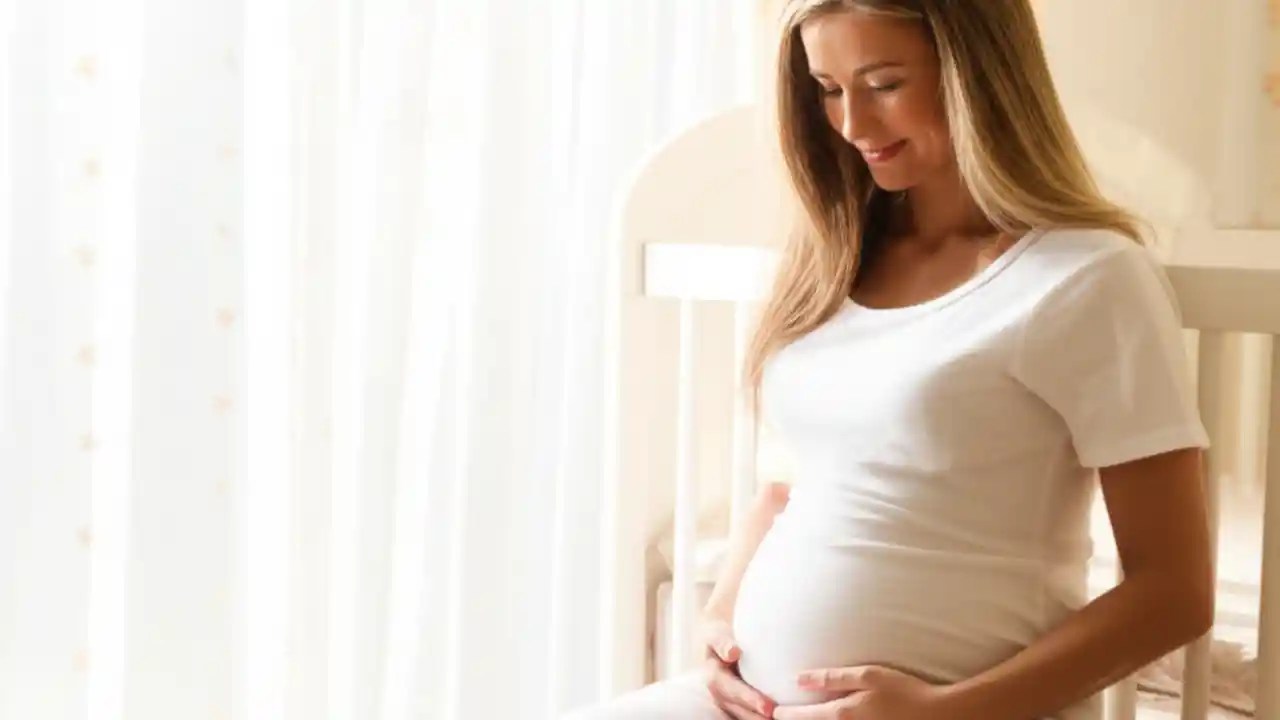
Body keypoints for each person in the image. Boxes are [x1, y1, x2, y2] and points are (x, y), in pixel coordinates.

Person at [564, 0, 1213, 718]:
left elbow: (1174, 592)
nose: (852, 126)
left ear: (979, 76)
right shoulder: (835, 262)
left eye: (883, 84)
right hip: (747, 703)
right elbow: (788, 489)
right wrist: (719, 622)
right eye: (830, 90)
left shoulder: (1088, 278)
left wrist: (948, 711)